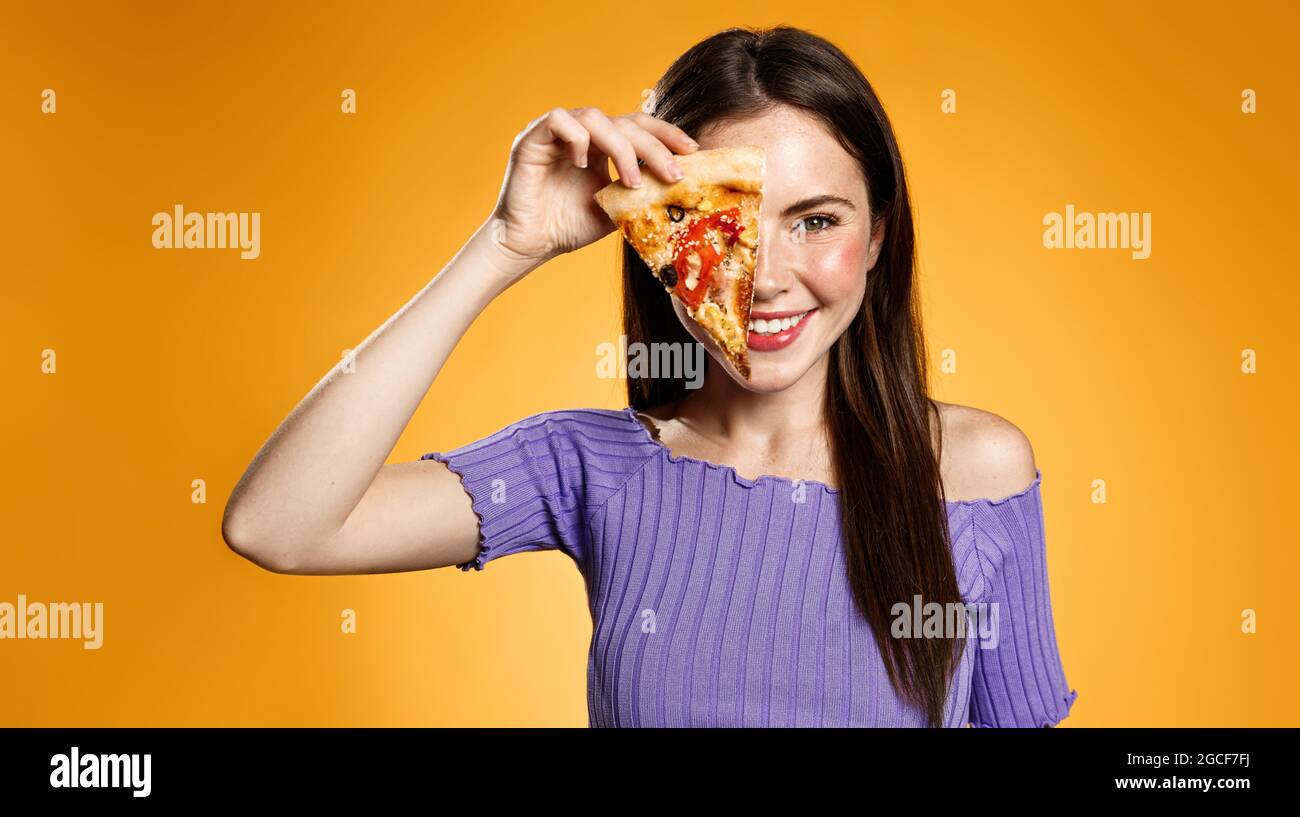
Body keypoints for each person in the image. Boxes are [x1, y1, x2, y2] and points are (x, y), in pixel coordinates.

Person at [222, 25, 1078, 728]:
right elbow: (279, 526)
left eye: (815, 220)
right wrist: (504, 247)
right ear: (656, 239)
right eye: (721, 224)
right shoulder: (590, 465)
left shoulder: (974, 470)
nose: (767, 276)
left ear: (879, 237)